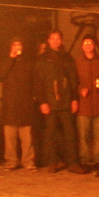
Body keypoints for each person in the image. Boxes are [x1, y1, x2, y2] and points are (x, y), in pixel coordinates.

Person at [32, 29, 79, 173]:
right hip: (50, 102)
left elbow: (73, 80)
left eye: (58, 38)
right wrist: (42, 102)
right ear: (48, 40)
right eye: (53, 38)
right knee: (50, 133)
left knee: (70, 133)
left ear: (62, 40)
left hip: (65, 102)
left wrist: (75, 99)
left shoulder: (67, 57)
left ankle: (72, 163)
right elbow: (38, 82)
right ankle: (52, 162)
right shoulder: (42, 59)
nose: (55, 41)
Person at [0, 38, 37, 170]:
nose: (17, 47)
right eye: (14, 44)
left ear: (23, 47)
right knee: (10, 136)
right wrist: (11, 59)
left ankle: (28, 161)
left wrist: (34, 99)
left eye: (19, 44)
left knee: (26, 137)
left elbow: (34, 81)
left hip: (25, 104)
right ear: (10, 47)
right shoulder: (5, 62)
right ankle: (11, 161)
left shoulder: (28, 63)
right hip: (10, 104)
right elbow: (1, 75)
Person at [72, 35, 99, 171]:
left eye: (90, 43)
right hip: (84, 105)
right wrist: (80, 90)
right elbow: (73, 81)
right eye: (85, 43)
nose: (88, 45)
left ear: (94, 45)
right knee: (83, 136)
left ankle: (98, 160)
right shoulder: (77, 62)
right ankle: (84, 160)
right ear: (81, 46)